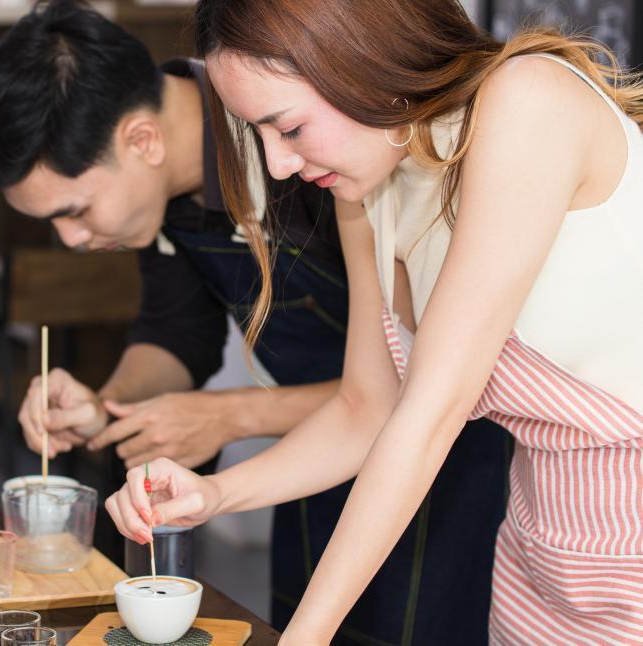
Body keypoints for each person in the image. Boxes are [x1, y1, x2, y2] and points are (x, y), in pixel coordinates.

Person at [0, 1, 511, 640]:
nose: (72, 239)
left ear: (143, 141)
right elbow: (177, 334)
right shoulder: (172, 184)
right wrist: (110, 404)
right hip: (314, 458)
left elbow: (423, 387)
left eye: (76, 210)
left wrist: (233, 414)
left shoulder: (325, 144)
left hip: (441, 466)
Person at [105, 0, 643, 643]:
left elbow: (429, 415)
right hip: (543, 553)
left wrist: (304, 636)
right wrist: (214, 494)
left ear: (359, 62)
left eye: (290, 128)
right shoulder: (366, 193)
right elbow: (368, 409)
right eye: (259, 136)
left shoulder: (529, 100)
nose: (278, 166)